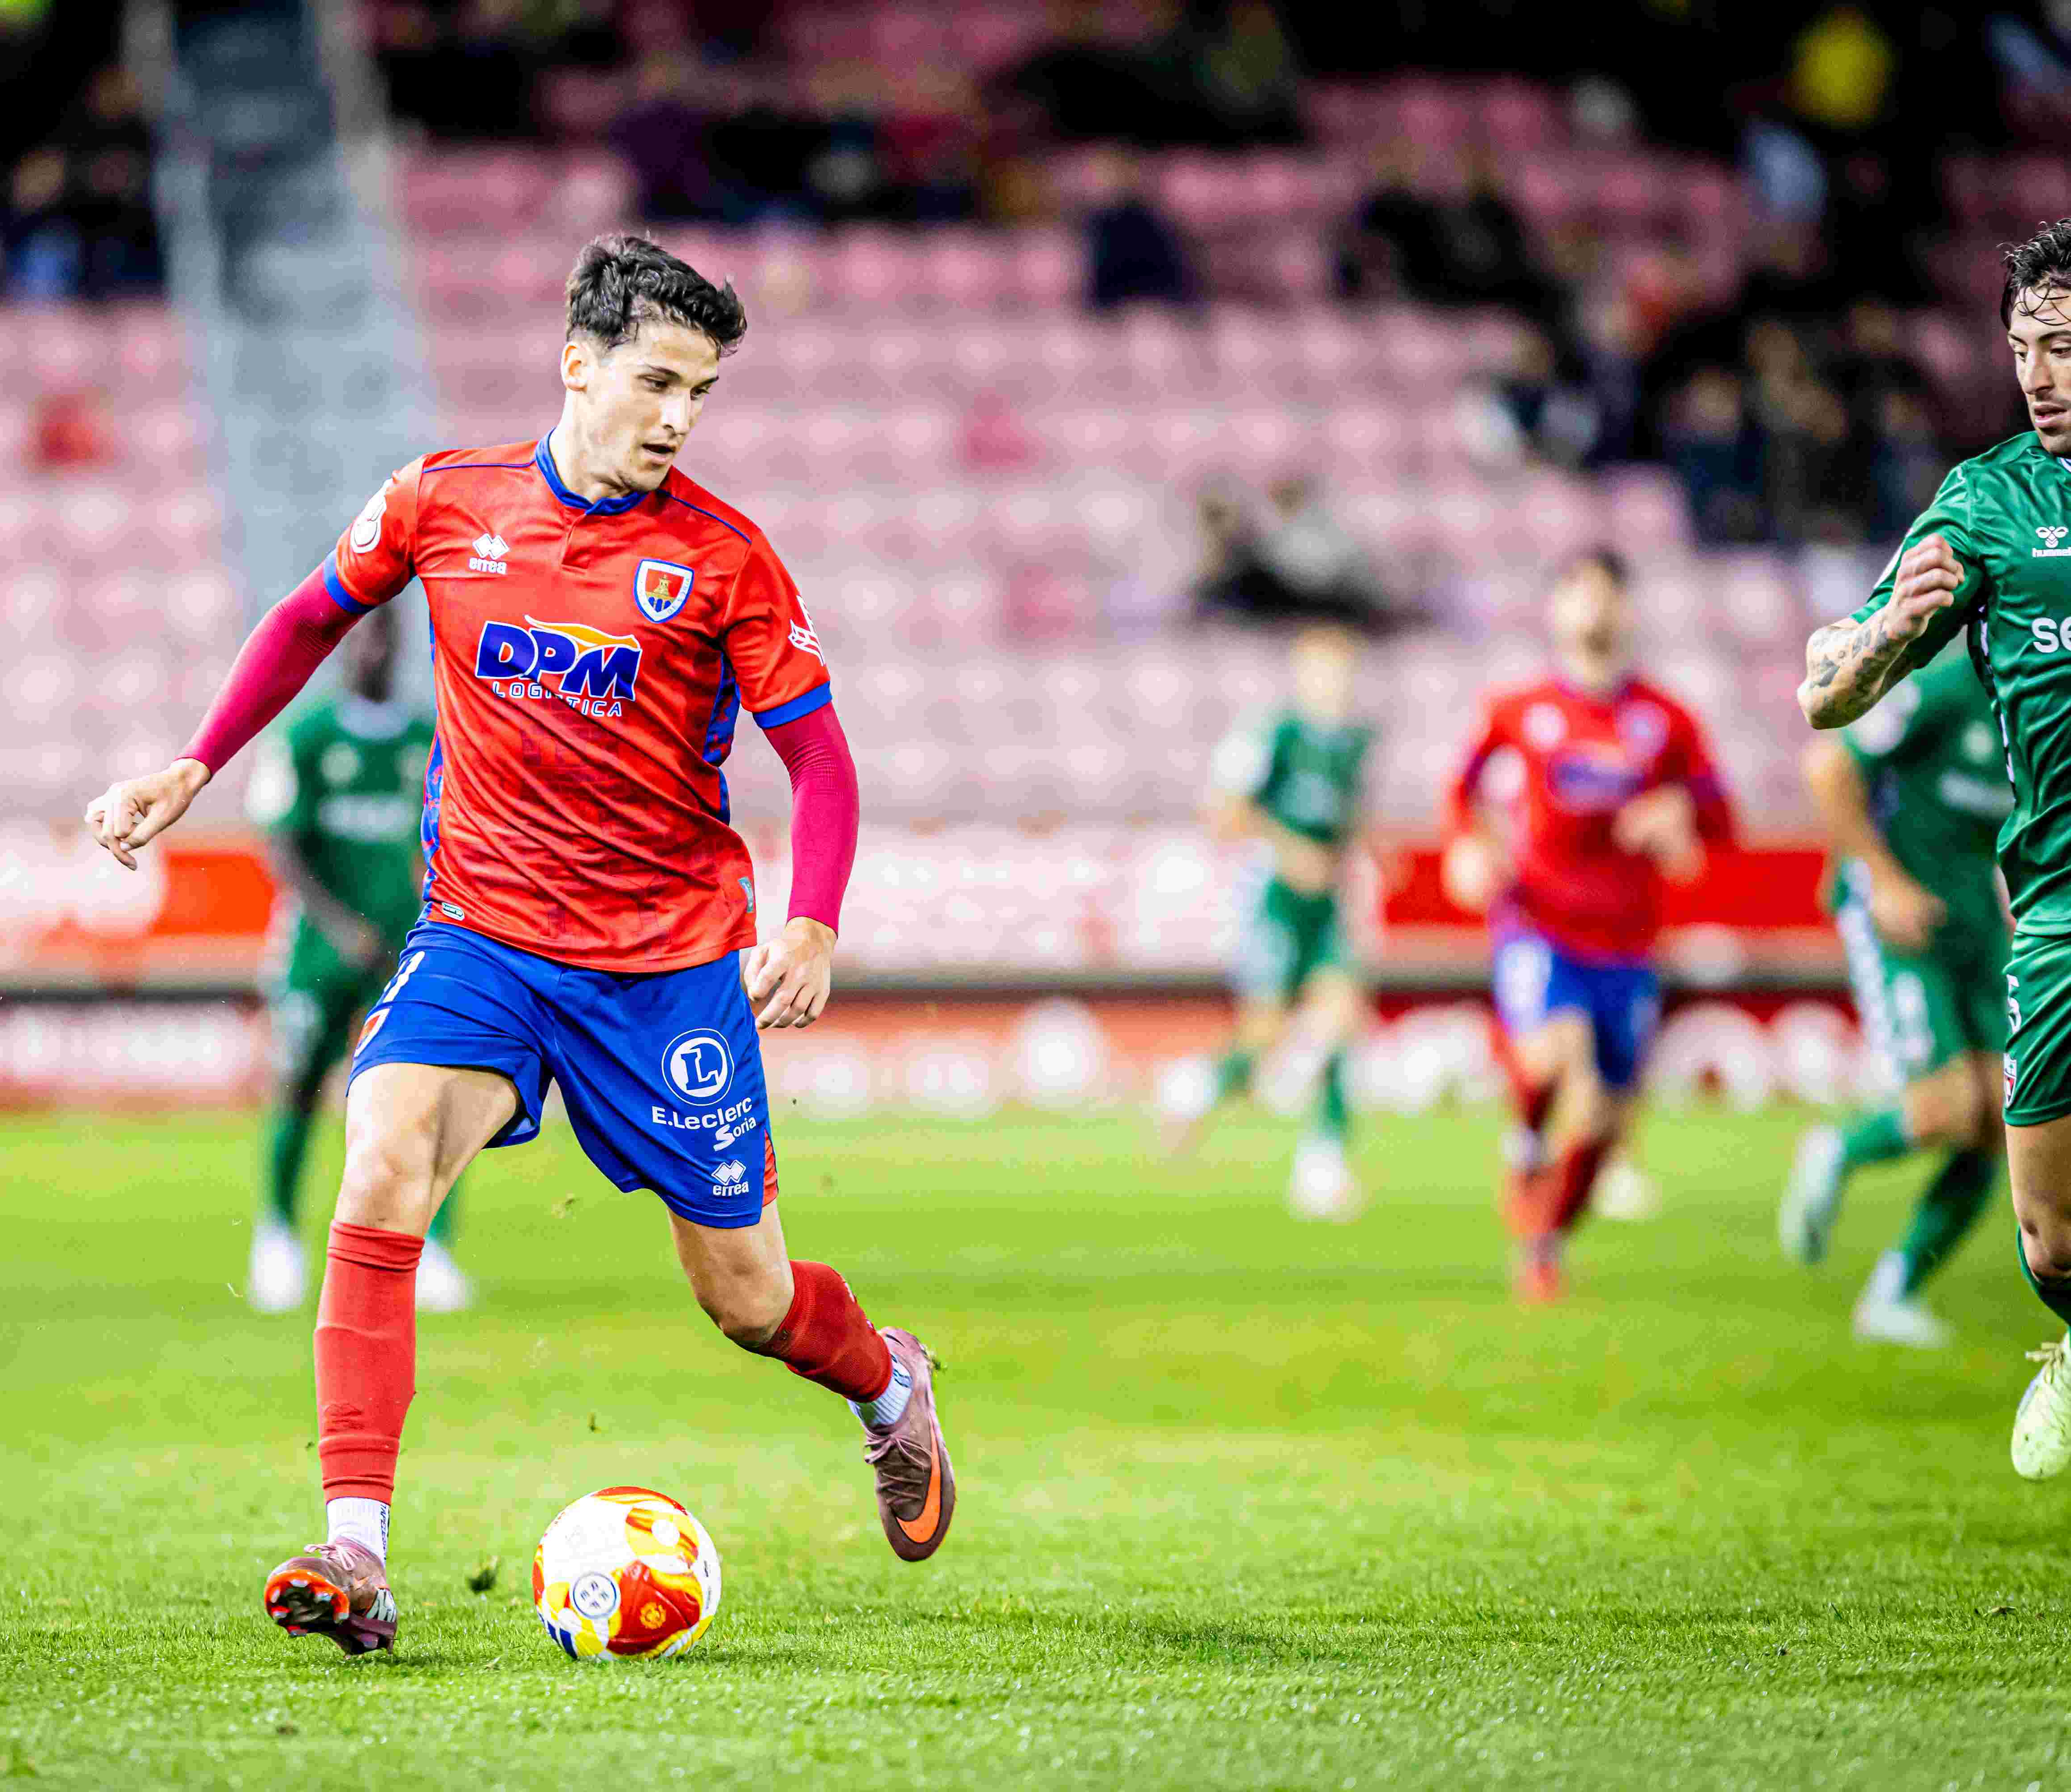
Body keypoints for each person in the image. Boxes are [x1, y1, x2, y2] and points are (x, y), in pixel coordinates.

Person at [83, 235, 954, 1655]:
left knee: (744, 1298)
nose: (677, 416)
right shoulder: (444, 501)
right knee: (385, 1148)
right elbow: (308, 619)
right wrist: (194, 766)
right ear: (579, 363)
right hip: (483, 938)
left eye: (702, 392)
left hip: (667, 969)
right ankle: (356, 1552)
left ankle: (887, 1386)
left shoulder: (723, 560)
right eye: (657, 381)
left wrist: (812, 919)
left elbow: (826, 765)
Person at [1795, 221, 2071, 1477]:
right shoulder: (1986, 502)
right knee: (2051, 1237)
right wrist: (1881, 642)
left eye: (2062, 345)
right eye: (2023, 347)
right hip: (2048, 904)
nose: (2040, 372)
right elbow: (1827, 702)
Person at [1443, 548, 1737, 1302]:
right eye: (1579, 595)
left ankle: (1544, 1242)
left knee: (1604, 1119)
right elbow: (1461, 789)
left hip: (1629, 940)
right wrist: (1471, 847)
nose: (1595, 610)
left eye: (1608, 595)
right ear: (1556, 612)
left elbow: (1721, 816)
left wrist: (1679, 817)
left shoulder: (1666, 721)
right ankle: (1525, 1141)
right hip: (1539, 923)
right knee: (1555, 1052)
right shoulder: (1519, 710)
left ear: (1628, 610)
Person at [242, 607, 471, 1316]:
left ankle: (431, 1248)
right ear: (344, 649)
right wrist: (340, 927)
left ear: (398, 649)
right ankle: (277, 1238)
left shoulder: (428, 739)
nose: (371, 650)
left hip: (411, 954)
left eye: (385, 637)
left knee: (431, 1098)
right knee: (299, 1089)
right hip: (320, 952)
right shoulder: (307, 738)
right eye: (361, 636)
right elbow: (281, 844)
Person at [1780, 649, 2010, 1347]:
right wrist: (1881, 879)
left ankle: (1894, 1292)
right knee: (1945, 1109)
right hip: (1899, 917)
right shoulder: (1949, 687)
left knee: (2006, 1121)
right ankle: (1838, 1151)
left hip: (1979, 922)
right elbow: (1828, 766)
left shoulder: (2041, 704)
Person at [1161, 623, 1375, 1218]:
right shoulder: (1273, 734)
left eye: (1344, 672)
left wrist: (1358, 857)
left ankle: (1323, 1166)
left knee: (1341, 1017)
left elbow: (1344, 819)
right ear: (1303, 674)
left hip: (1326, 903)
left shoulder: (1355, 742)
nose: (1336, 685)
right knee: (1267, 1034)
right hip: (1273, 897)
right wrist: (1290, 851)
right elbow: (1224, 810)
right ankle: (1199, 1086)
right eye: (1325, 671)